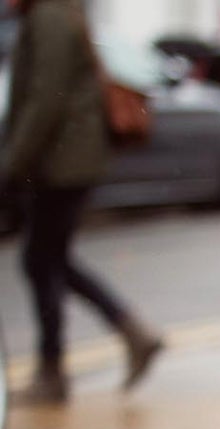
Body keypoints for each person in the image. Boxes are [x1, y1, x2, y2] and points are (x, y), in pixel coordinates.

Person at [3, 0, 163, 405]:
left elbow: (44, 100)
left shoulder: (51, 16)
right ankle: (131, 333)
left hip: (64, 163)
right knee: (47, 258)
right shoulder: (56, 13)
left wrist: (10, 165)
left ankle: (54, 372)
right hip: (65, 160)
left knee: (41, 259)